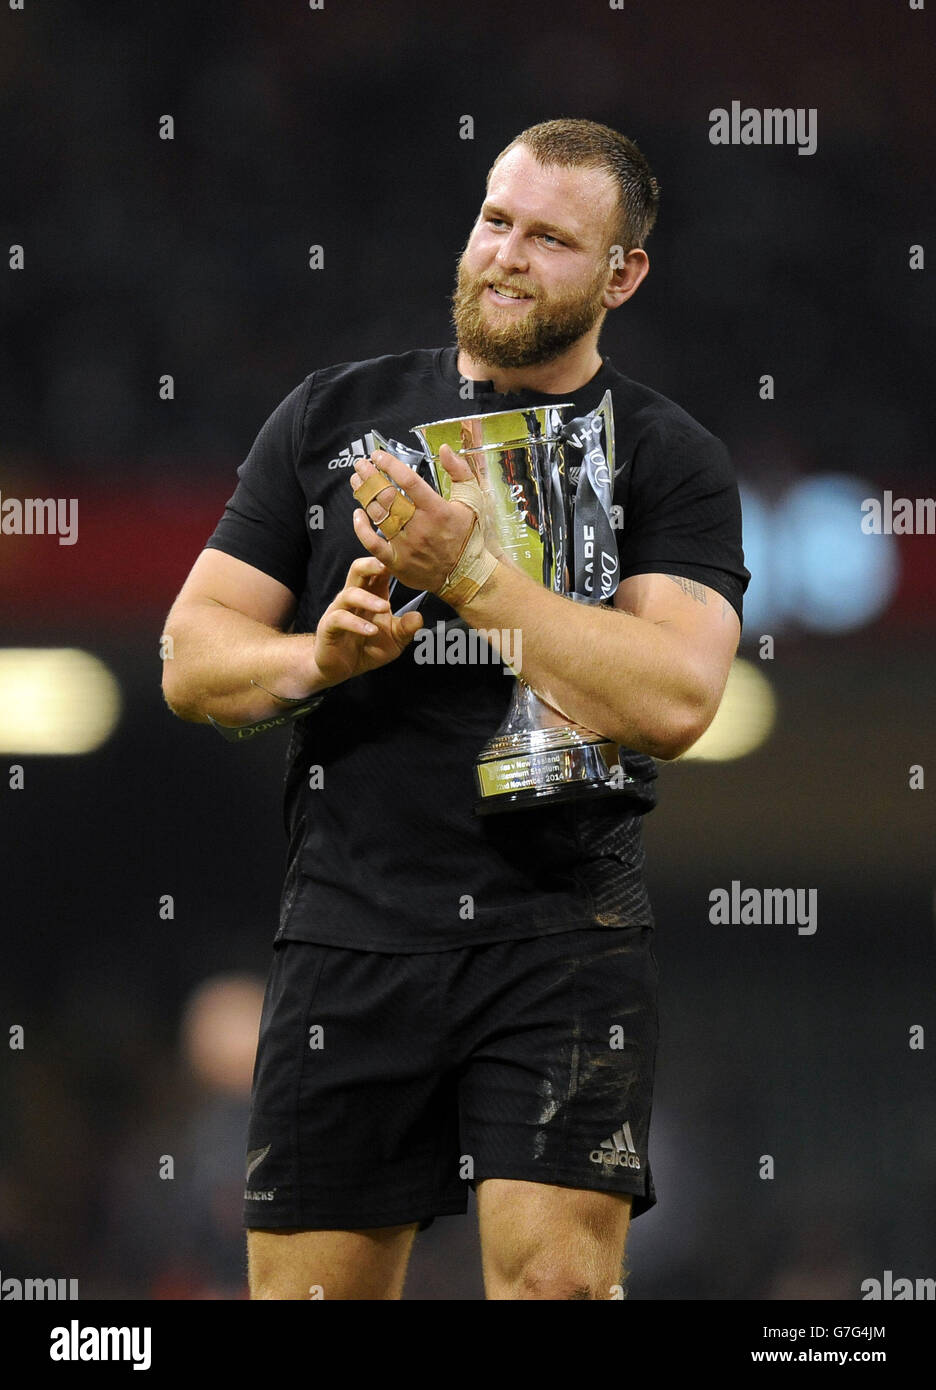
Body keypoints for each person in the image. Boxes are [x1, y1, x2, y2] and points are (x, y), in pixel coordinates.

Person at [161, 117, 750, 1300]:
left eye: (551, 238)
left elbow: (680, 695)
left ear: (624, 273)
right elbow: (190, 656)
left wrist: (472, 573)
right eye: (495, 220)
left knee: (559, 1290)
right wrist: (317, 659)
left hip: (561, 932)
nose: (506, 256)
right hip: (348, 933)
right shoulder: (330, 417)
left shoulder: (669, 459)